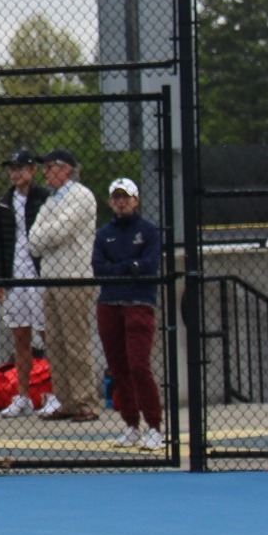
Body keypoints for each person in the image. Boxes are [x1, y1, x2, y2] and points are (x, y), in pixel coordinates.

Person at [26, 148, 100, 422]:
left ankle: (86, 401)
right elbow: (34, 239)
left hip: (73, 277)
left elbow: (60, 230)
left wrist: (46, 234)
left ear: (65, 169)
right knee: (55, 343)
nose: (45, 173)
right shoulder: (51, 200)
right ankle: (66, 399)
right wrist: (46, 234)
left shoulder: (81, 196)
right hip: (51, 277)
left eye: (49, 168)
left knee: (75, 342)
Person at [93, 178, 164, 450]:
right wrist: (129, 267)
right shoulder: (103, 234)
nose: (121, 202)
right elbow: (99, 268)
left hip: (138, 301)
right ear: (111, 202)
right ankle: (131, 424)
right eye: (116, 197)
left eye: (126, 197)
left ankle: (154, 426)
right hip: (110, 302)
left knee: (138, 365)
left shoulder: (148, 231)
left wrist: (123, 267)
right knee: (118, 366)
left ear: (136, 200)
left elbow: (148, 265)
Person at [0, 149, 50, 417]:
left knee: (47, 334)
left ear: (32, 170)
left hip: (38, 274)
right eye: (12, 169)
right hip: (15, 275)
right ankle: (23, 394)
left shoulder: (43, 199)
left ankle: (54, 392)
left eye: (21, 168)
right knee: (20, 336)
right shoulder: (4, 203)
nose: (16, 173)